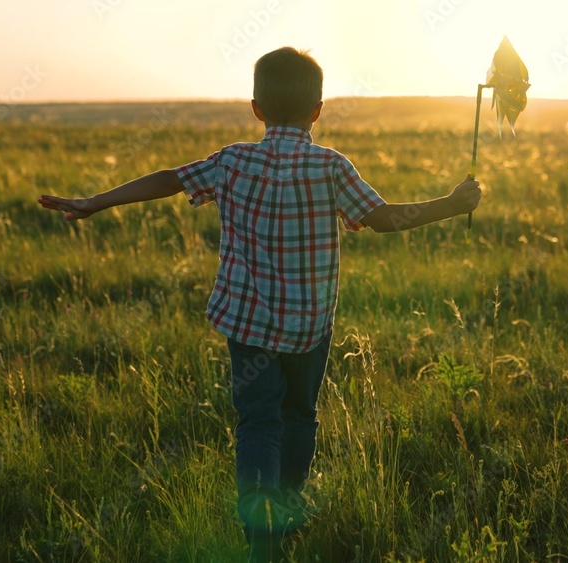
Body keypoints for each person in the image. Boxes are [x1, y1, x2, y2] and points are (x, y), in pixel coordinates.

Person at [38, 46, 482, 562]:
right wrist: (450, 205)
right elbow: (382, 218)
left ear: (255, 108)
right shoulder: (332, 167)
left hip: (247, 325)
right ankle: (285, 512)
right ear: (318, 109)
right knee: (298, 416)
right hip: (309, 328)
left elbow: (169, 179)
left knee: (256, 423)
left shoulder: (233, 160)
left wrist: (97, 201)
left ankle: (261, 536)